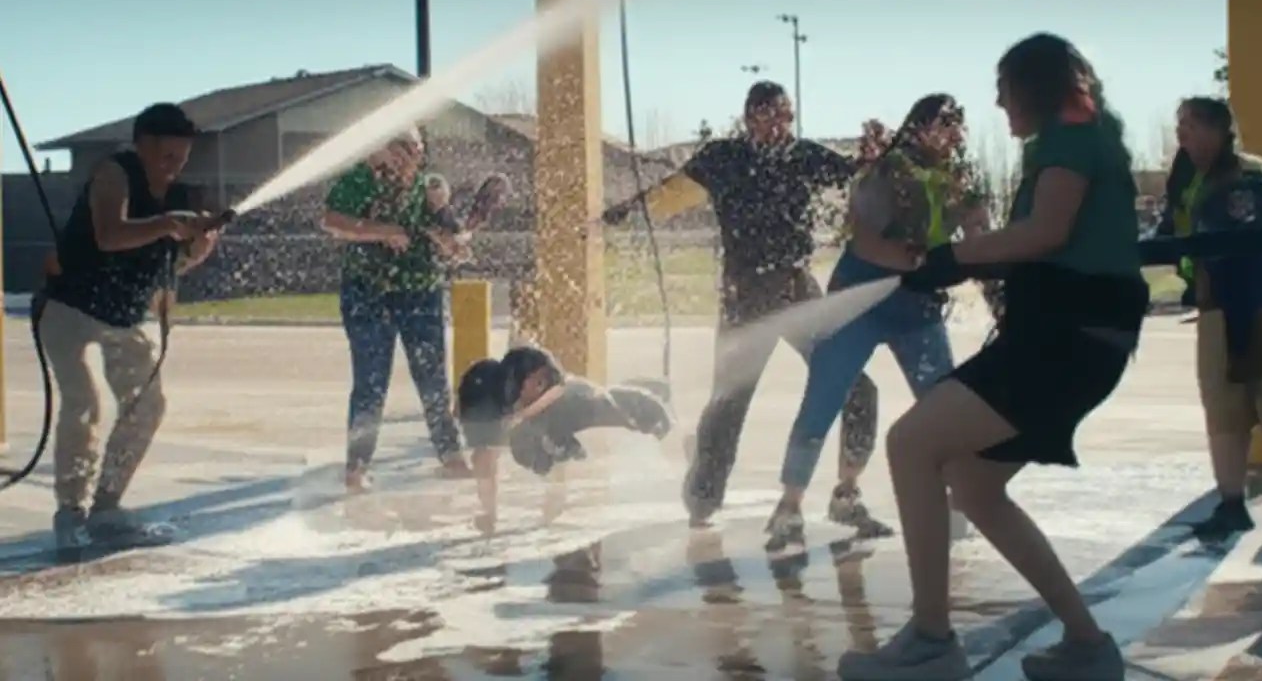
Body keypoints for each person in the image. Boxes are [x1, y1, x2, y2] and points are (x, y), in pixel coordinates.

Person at [837, 33, 1147, 681]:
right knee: (976, 486)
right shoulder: (1075, 134)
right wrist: (958, 265)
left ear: (1033, 84)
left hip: (1064, 341)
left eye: (1003, 86)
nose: (996, 101)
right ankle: (1088, 647)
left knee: (910, 444)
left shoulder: (1069, 134)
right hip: (1067, 336)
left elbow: (1046, 232)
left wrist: (951, 258)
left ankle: (930, 642)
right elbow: (1045, 243)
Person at [602, 80, 870, 527]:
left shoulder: (803, 156)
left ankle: (847, 491)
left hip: (797, 290)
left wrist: (875, 159)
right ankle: (703, 500)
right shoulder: (724, 159)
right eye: (770, 117)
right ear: (750, 118)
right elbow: (671, 193)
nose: (780, 127)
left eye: (787, 116)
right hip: (745, 295)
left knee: (857, 387)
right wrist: (623, 212)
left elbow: (856, 178)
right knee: (729, 400)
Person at [765, 95, 988, 551]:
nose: (955, 135)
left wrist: (985, 255)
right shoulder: (886, 171)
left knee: (942, 404)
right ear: (920, 126)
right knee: (825, 397)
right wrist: (926, 261)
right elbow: (866, 242)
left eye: (959, 127)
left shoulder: (960, 178)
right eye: (946, 124)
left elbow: (979, 239)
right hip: (857, 301)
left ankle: (862, 496)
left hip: (917, 308)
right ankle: (788, 505)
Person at [41, 103, 221, 552]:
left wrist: (199, 247)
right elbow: (109, 234)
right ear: (141, 146)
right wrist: (166, 225)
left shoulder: (181, 198)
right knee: (84, 402)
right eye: (165, 159)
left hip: (125, 316)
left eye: (181, 159)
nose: (173, 169)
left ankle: (106, 505)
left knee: (148, 406)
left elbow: (176, 262)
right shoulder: (114, 173)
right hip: (70, 308)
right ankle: (70, 511)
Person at [1152, 97, 1262, 538]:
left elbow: (1246, 230)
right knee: (1222, 406)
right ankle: (1231, 503)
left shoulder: (1248, 172)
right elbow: (1172, 230)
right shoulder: (1188, 177)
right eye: (1179, 124)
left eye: (1190, 124)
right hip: (1215, 307)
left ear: (1218, 129)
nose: (1182, 133)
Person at [321, 130, 476, 492]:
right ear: (384, 150)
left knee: (433, 376)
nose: (408, 158)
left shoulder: (429, 188)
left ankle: (451, 455)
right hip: (367, 293)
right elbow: (332, 221)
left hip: (421, 292)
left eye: (415, 150)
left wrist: (453, 242)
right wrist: (384, 231)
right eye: (401, 150)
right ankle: (357, 467)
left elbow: (454, 245)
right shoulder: (359, 179)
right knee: (371, 381)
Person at [456, 346, 674, 533]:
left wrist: (553, 504)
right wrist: (489, 513)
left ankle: (656, 391)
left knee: (605, 409)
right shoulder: (489, 404)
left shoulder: (575, 403)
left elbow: (561, 459)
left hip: (614, 407)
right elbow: (484, 461)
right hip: (532, 411)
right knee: (531, 449)